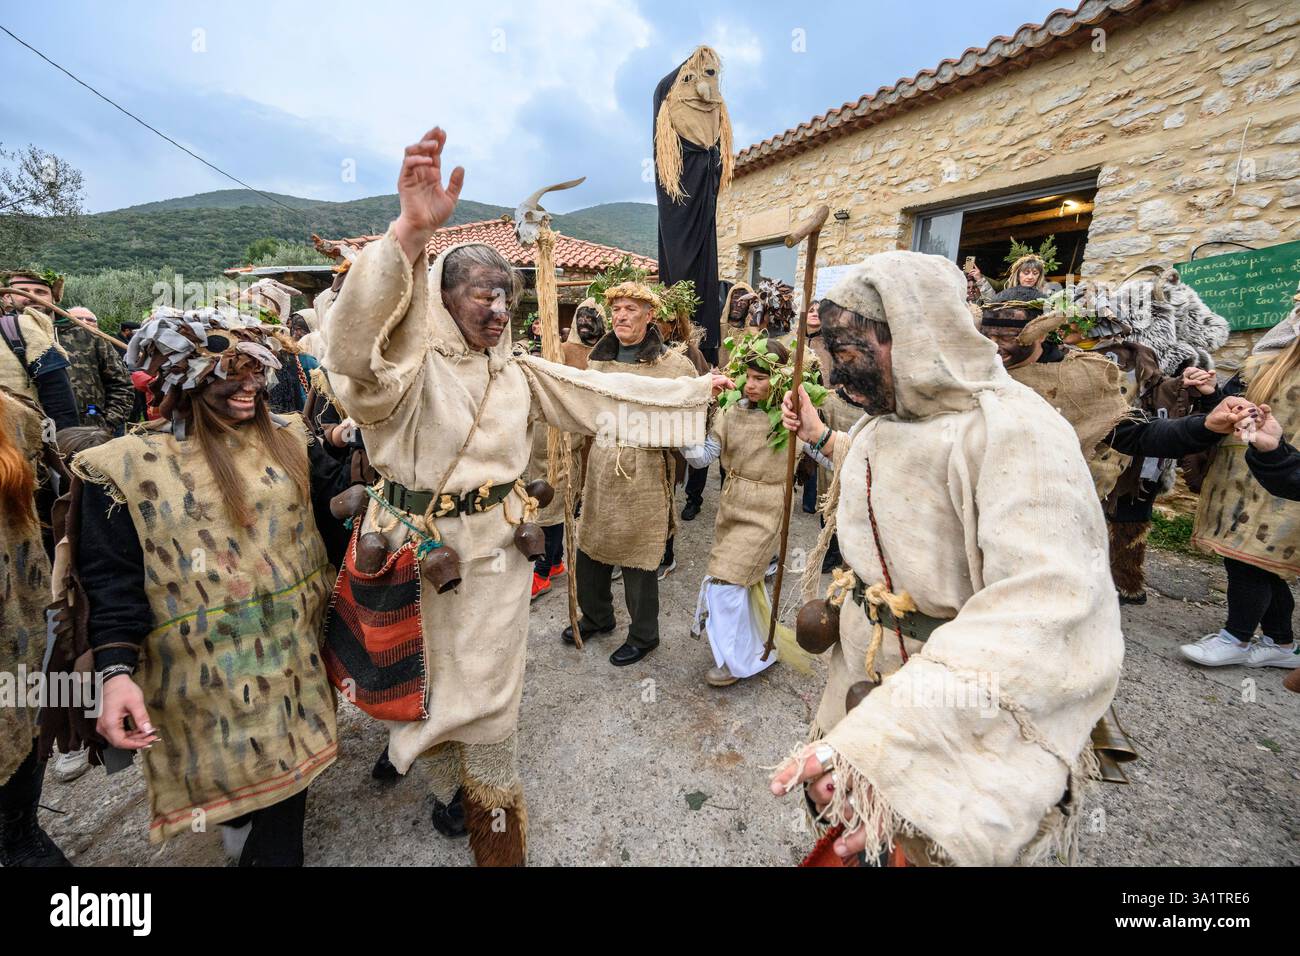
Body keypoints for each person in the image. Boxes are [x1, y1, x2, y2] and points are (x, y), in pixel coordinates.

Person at [319, 126, 725, 865]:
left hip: (496, 555)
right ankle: (441, 776)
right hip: (411, 549)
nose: (502, 309)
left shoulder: (519, 371)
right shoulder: (400, 376)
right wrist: (407, 233)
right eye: (484, 295)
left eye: (507, 295)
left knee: (490, 692)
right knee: (418, 679)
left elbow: (600, 392)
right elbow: (348, 353)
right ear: (442, 300)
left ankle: (491, 813)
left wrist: (696, 392)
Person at [769, 251, 1122, 866]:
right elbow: (901, 478)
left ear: (915, 333)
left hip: (955, 704)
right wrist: (823, 438)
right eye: (831, 350)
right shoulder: (888, 420)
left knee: (931, 841)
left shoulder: (1018, 432)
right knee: (855, 828)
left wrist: (891, 734)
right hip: (865, 667)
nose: (833, 374)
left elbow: (1045, 604)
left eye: (849, 351)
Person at [72, 307, 354, 865]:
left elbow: (329, 512)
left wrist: (352, 448)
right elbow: (111, 580)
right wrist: (115, 670)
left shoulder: (289, 438)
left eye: (256, 372)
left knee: (284, 801)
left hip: (291, 657)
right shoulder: (122, 469)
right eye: (229, 374)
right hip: (199, 675)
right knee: (226, 772)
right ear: (179, 378)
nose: (250, 387)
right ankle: (237, 818)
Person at [568, 280, 707, 664]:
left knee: (638, 554)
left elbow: (693, 414)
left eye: (631, 309)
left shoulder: (673, 366)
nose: (622, 316)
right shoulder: (598, 360)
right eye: (616, 310)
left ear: (650, 317)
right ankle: (597, 615)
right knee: (591, 546)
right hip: (602, 463)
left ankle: (644, 635)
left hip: (645, 468)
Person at [685, 338, 813, 687]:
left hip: (768, 507)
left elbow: (826, 450)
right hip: (733, 502)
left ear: (781, 379)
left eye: (761, 378)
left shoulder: (793, 418)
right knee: (741, 582)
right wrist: (681, 430)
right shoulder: (731, 410)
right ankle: (760, 648)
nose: (751, 385)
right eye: (748, 377)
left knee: (727, 581)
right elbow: (702, 458)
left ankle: (737, 663)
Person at [1184, 301, 1300, 670]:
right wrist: (1211, 392)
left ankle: (1235, 638)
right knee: (1255, 561)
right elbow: (1236, 403)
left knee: (1249, 561)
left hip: (1286, 476)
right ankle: (1280, 642)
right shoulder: (1271, 349)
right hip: (1244, 470)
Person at [0, 387, 70, 866]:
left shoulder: (13, 416)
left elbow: (55, 502)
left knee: (22, 731)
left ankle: (19, 830)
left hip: (15, 633)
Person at [0, 270, 79, 429]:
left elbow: (59, 398)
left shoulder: (22, 328)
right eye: (23, 291)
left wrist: (69, 441)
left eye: (40, 292)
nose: (31, 297)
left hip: (21, 441)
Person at [52, 304, 134, 436]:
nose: (83, 323)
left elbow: (121, 384)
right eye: (77, 319)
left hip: (95, 430)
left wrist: (109, 424)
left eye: (90, 320)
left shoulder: (100, 342)